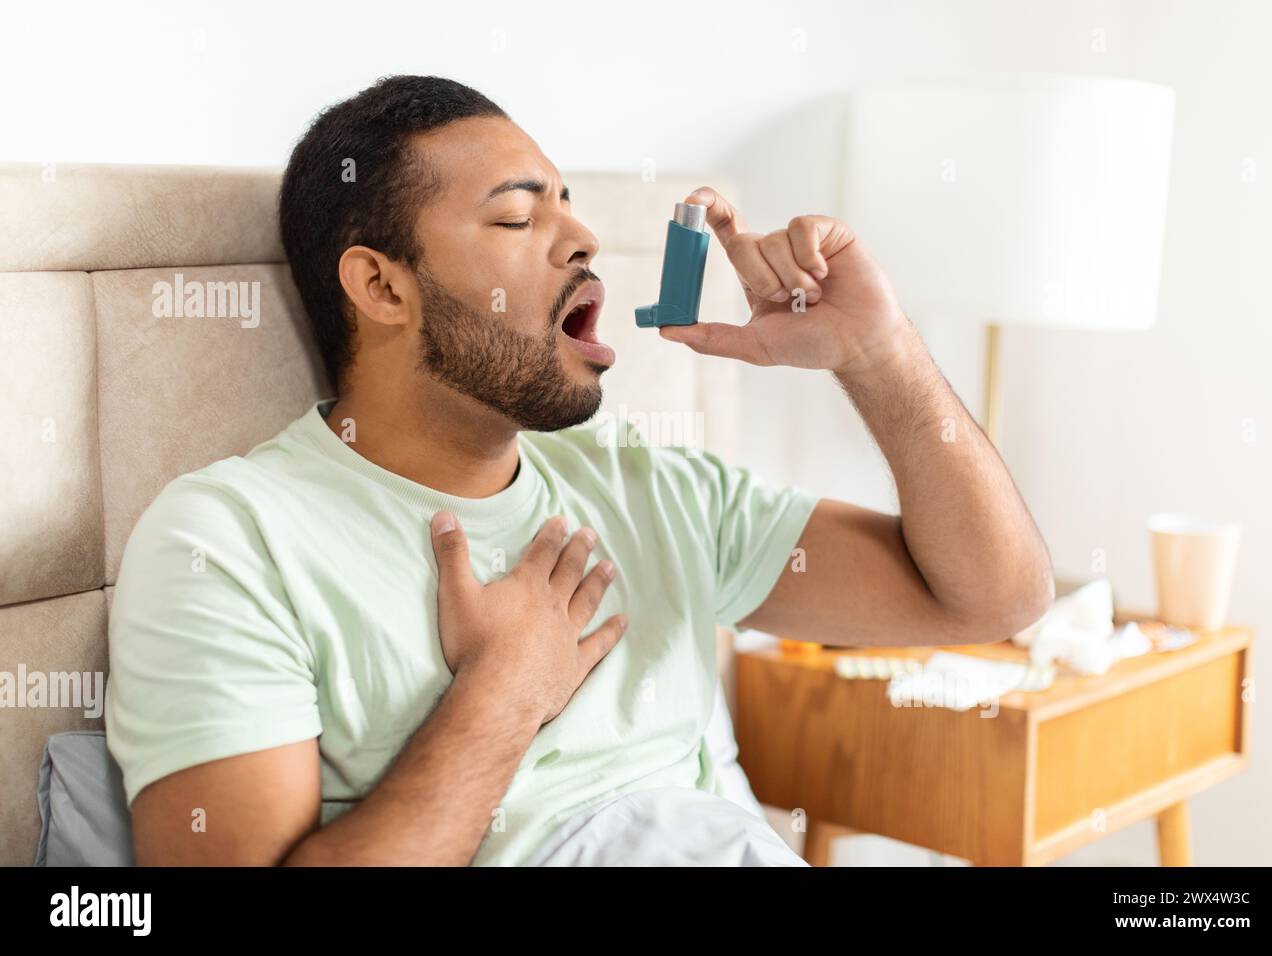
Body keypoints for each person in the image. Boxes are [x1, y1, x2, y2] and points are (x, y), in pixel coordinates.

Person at [105, 75, 1054, 866]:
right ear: (383, 286)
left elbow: (993, 598)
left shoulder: (643, 486)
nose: (582, 238)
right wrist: (506, 692)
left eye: (567, 203)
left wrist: (878, 353)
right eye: (519, 215)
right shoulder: (230, 541)